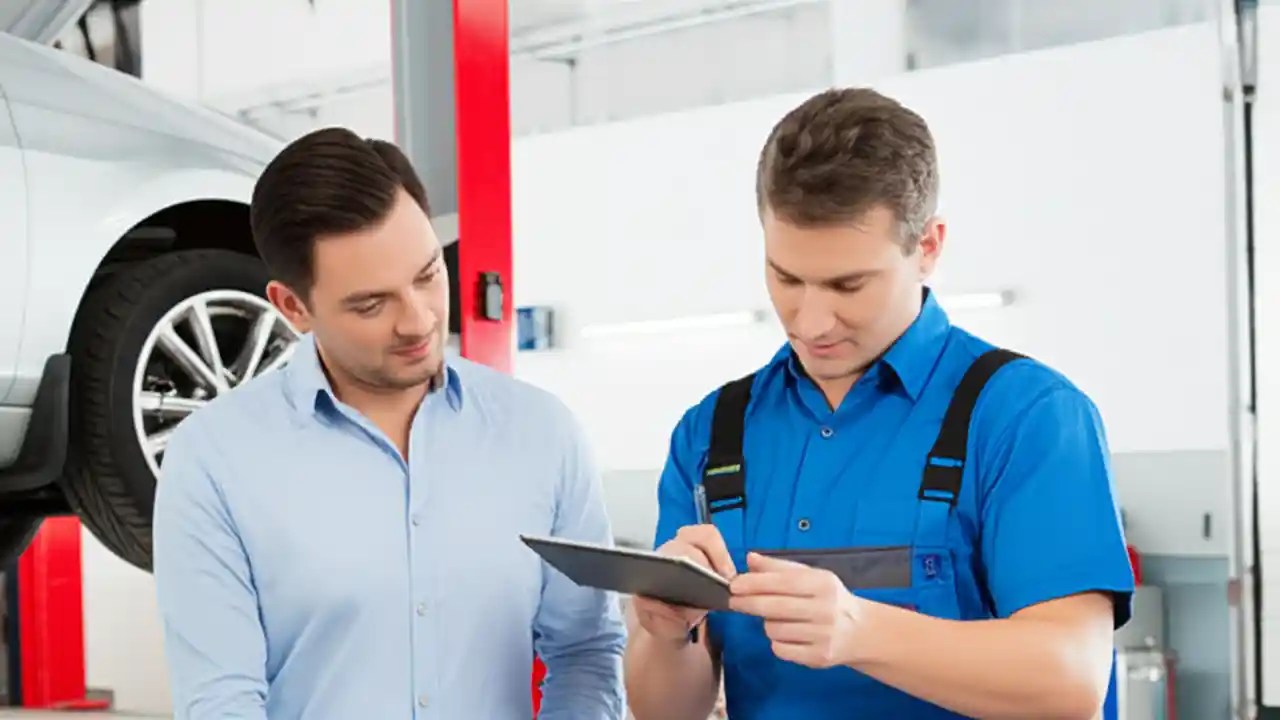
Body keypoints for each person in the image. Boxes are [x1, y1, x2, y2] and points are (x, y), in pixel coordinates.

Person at [623, 87, 1135, 719]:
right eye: (786, 278)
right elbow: (667, 712)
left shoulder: (1027, 416)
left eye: (848, 284)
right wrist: (664, 630)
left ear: (928, 247)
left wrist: (860, 631)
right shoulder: (710, 434)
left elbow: (1070, 683)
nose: (811, 322)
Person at [152, 127, 627, 719]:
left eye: (428, 274)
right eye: (372, 304)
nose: (418, 320)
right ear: (293, 307)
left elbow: (586, 649)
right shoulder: (215, 460)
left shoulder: (541, 435)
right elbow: (220, 699)